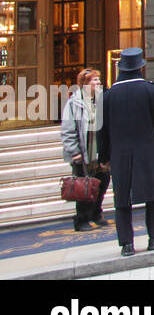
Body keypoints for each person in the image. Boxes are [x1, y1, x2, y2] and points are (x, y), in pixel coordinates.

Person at [100, 47, 154, 257]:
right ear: (140, 67)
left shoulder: (108, 95)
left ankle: (126, 244)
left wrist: (103, 157)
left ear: (121, 68)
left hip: (119, 153)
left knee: (122, 198)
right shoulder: (151, 90)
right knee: (152, 194)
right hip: (148, 150)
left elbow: (102, 131)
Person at [59, 69, 110, 232]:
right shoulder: (74, 102)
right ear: (85, 84)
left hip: (99, 151)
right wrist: (74, 151)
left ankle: (96, 213)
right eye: (94, 80)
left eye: (98, 80)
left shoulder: (103, 99)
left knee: (102, 182)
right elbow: (67, 129)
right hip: (83, 151)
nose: (98, 83)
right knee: (83, 186)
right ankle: (82, 219)